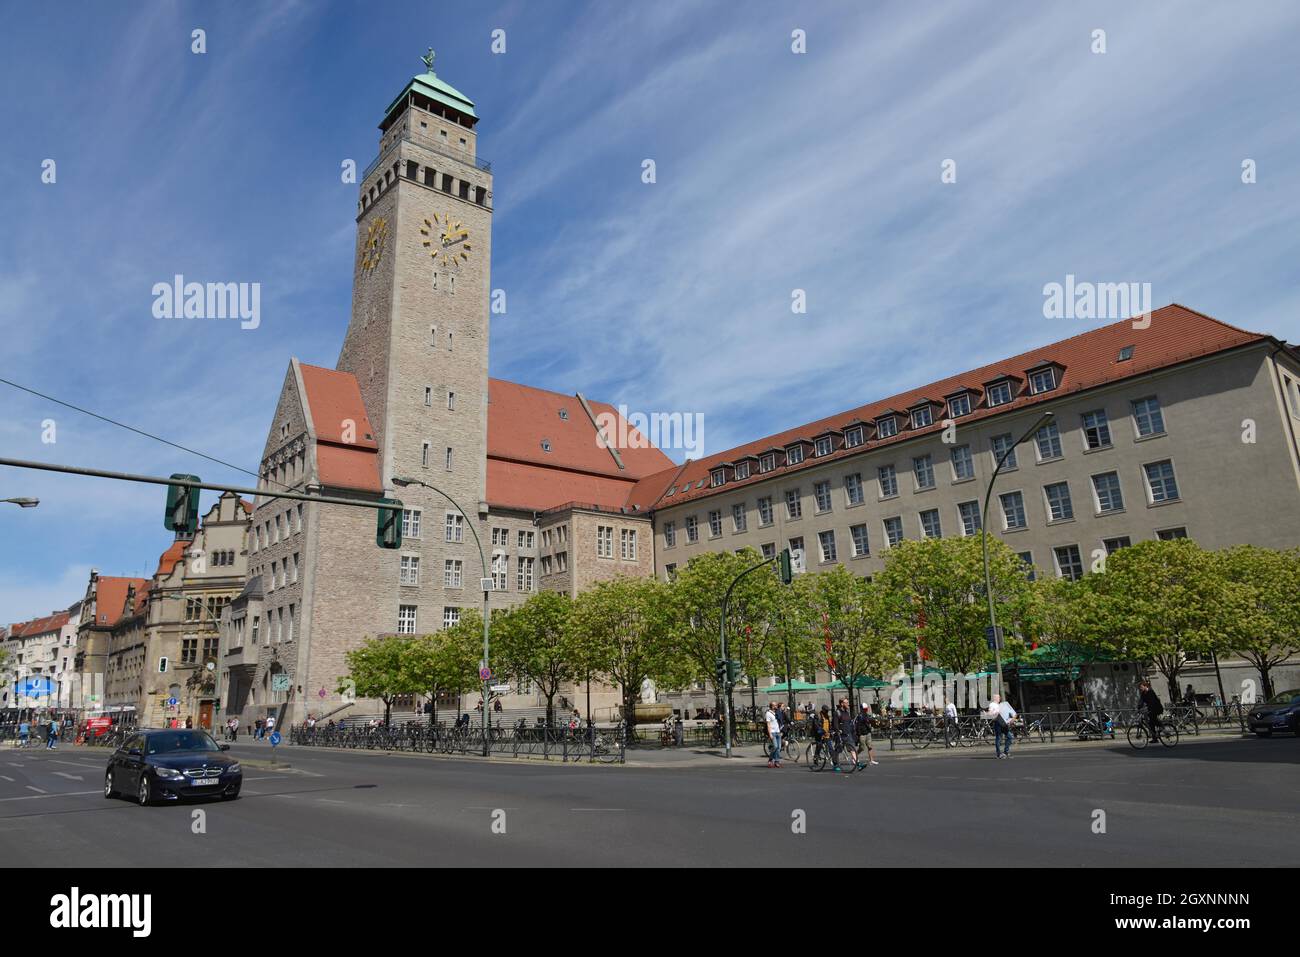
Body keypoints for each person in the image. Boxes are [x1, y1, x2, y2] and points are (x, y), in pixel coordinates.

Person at [987, 694, 1017, 759]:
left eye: (999, 697)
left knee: (1009, 737)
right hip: (998, 723)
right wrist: (995, 713)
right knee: (998, 738)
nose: (998, 698)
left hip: (1004, 723)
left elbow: (1009, 713)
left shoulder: (1001, 705)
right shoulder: (992, 705)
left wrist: (1012, 718)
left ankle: (1005, 752)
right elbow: (990, 714)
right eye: (997, 697)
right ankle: (999, 754)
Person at [834, 699, 858, 771]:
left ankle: (857, 763)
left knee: (852, 748)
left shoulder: (847, 712)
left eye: (848, 702)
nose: (848, 704)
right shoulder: (837, 713)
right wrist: (838, 730)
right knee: (838, 750)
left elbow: (849, 723)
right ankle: (835, 764)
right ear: (842, 704)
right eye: (846, 703)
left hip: (848, 734)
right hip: (840, 735)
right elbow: (835, 724)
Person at [763, 702, 782, 768]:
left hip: (778, 732)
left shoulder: (777, 713)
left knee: (779, 748)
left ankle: (776, 761)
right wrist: (770, 734)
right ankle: (772, 760)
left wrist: (780, 731)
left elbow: (779, 722)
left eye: (776, 705)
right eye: (775, 705)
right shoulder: (768, 713)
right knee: (775, 747)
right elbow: (768, 724)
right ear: (772, 706)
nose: (776, 706)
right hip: (773, 732)